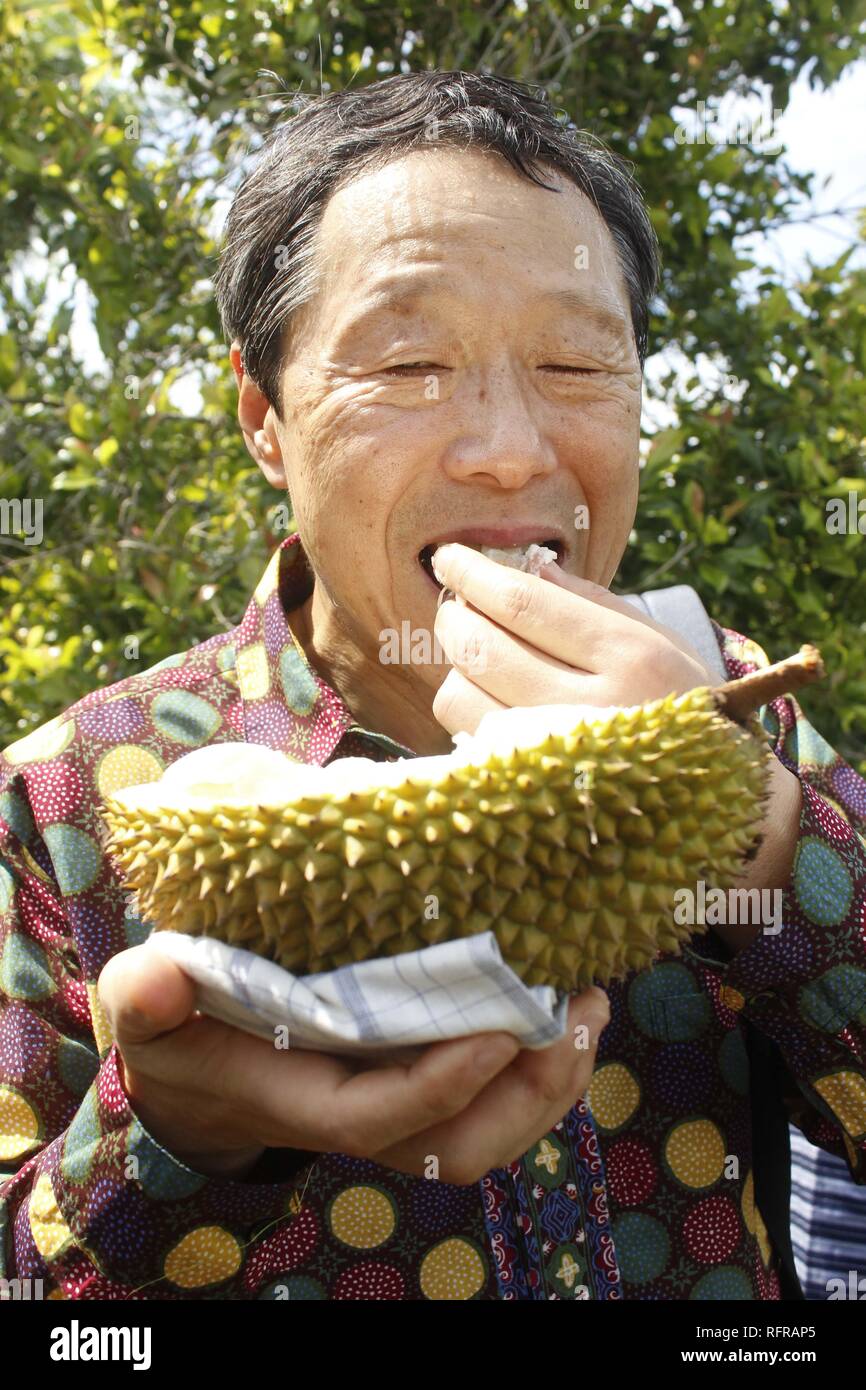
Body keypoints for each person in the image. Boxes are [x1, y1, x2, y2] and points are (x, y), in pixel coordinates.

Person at [1, 70, 864, 1302]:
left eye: (575, 363)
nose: (510, 448)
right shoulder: (71, 799)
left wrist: (774, 851)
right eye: (408, 363)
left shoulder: (734, 709)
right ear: (263, 414)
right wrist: (174, 1144)